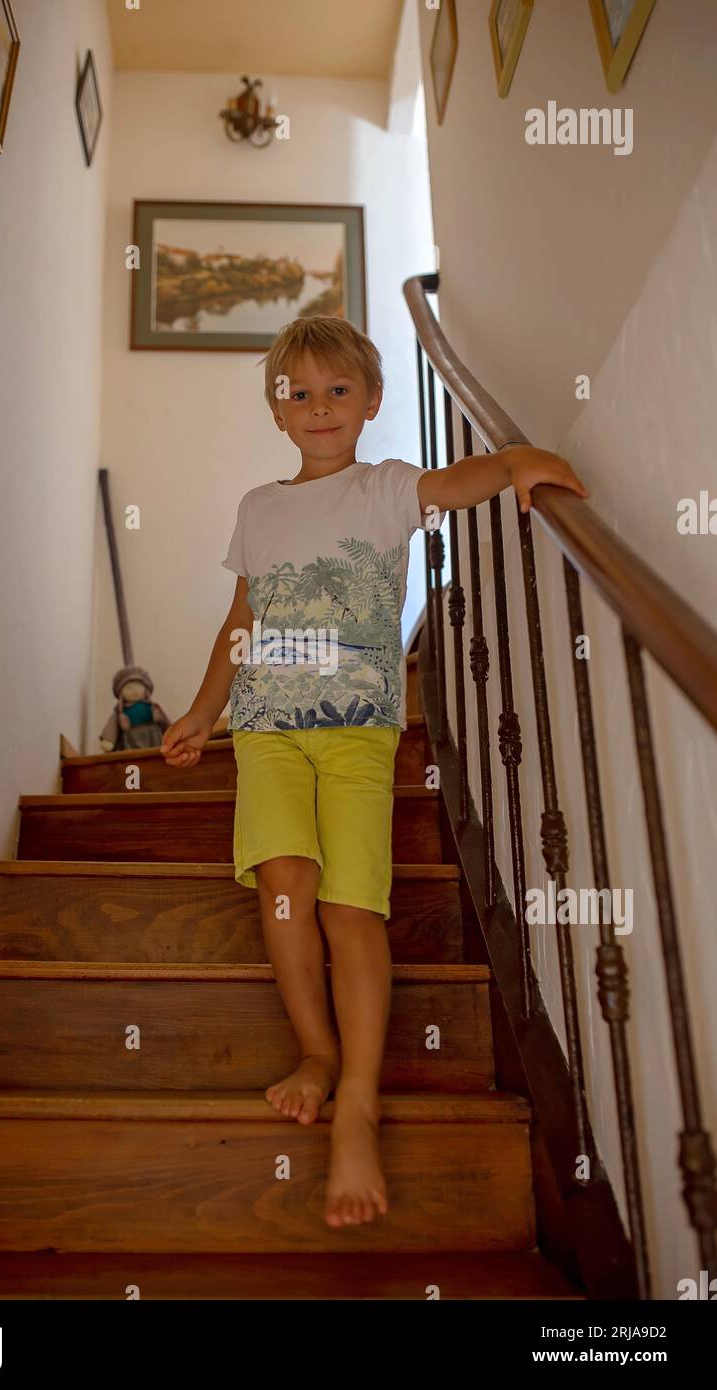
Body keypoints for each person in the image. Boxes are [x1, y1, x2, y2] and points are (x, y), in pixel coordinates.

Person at [160, 315, 587, 1230]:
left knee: (351, 905)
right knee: (285, 885)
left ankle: (357, 1095)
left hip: (357, 733)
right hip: (268, 732)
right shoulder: (258, 510)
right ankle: (316, 1053)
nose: (318, 408)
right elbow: (240, 621)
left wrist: (515, 463)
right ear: (277, 413)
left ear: (372, 403)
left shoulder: (388, 490)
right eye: (299, 394)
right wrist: (204, 711)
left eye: (337, 391)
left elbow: (455, 482)